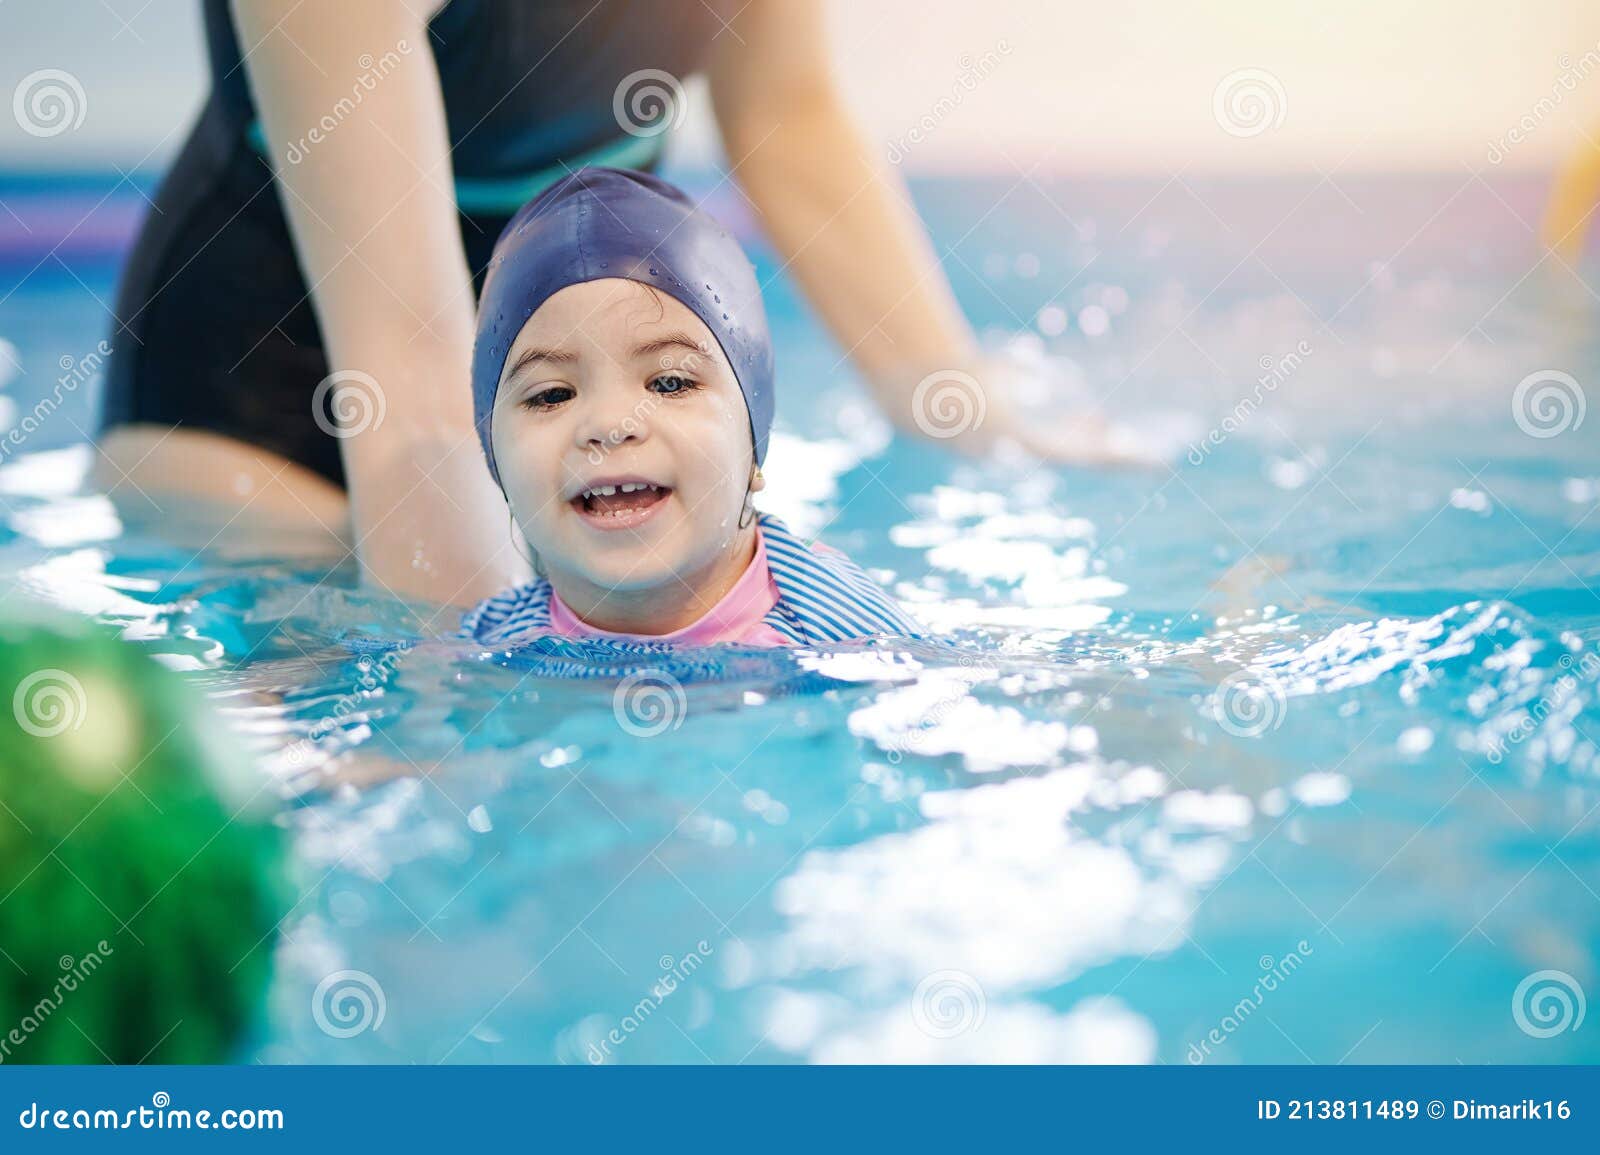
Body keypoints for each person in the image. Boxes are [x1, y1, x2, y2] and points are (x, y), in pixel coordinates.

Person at [96, 0, 1131, 609]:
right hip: (269, 399)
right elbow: (413, 409)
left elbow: (786, 114)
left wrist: (958, 410)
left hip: (579, 366)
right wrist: (483, 710)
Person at [461, 167, 920, 648]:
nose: (611, 425)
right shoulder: (490, 646)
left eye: (670, 382)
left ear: (752, 447)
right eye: (551, 395)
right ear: (498, 468)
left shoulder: (847, 634)